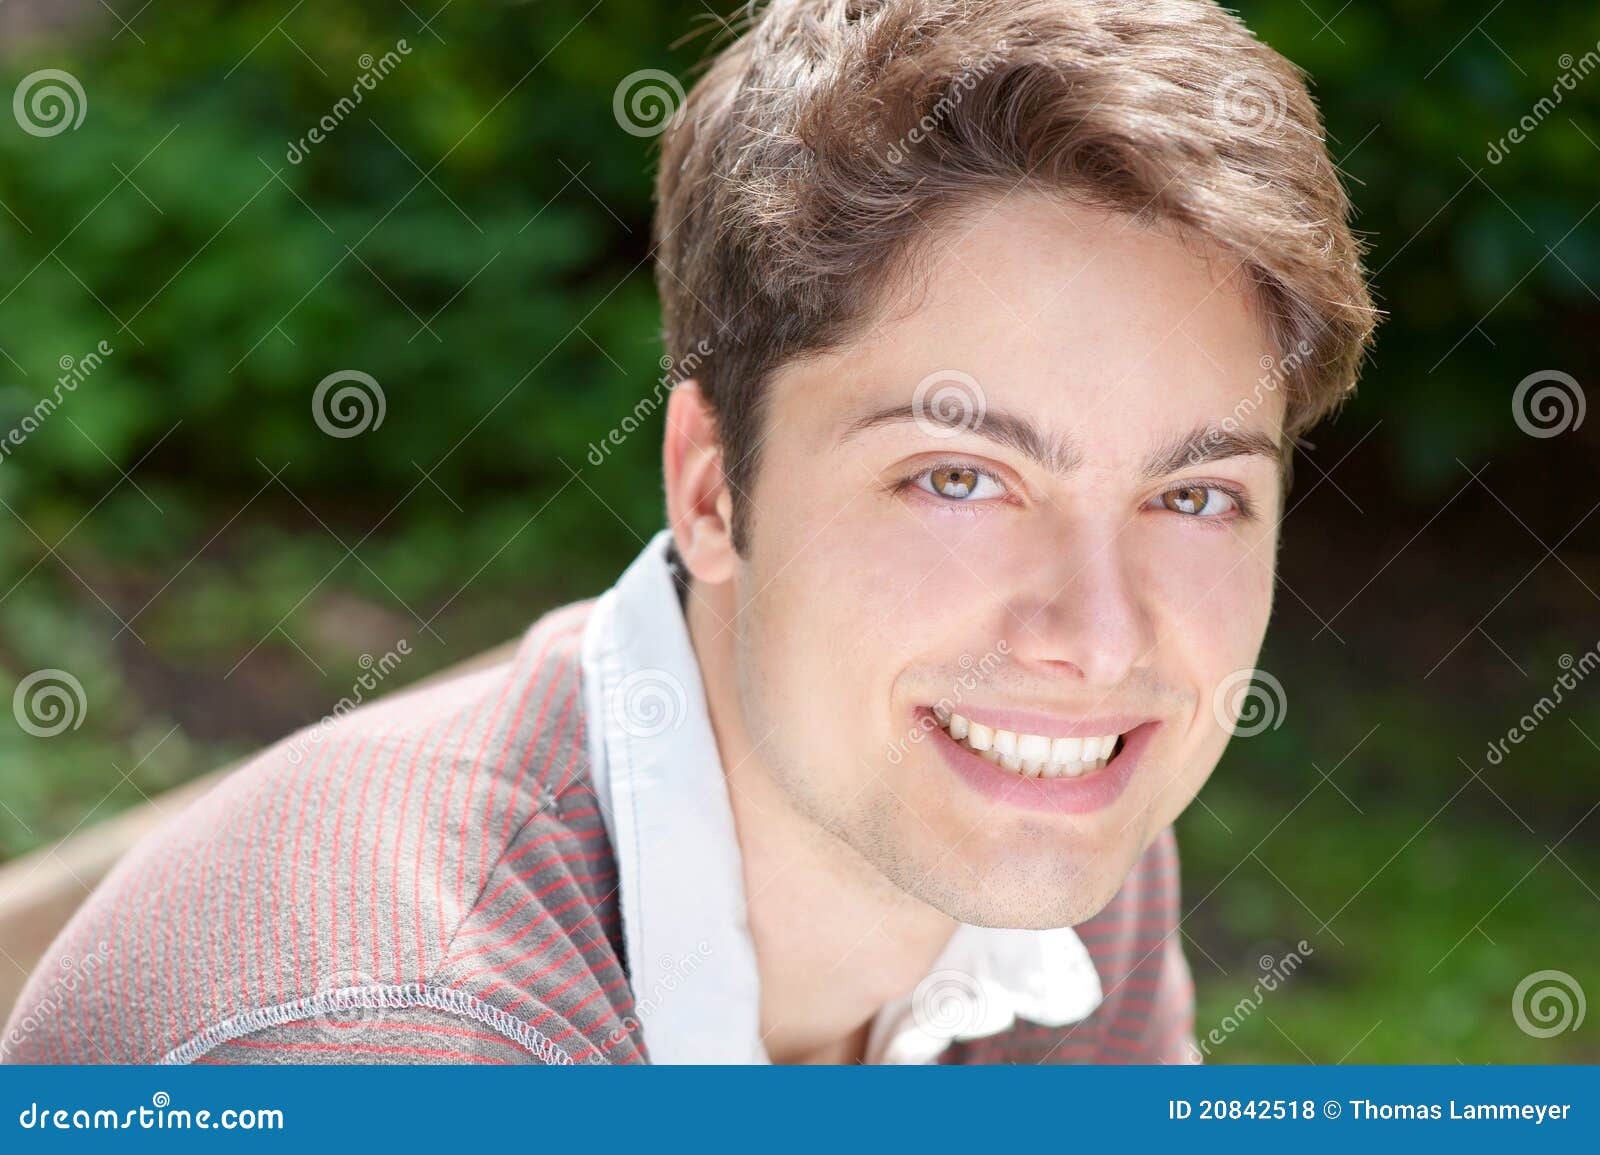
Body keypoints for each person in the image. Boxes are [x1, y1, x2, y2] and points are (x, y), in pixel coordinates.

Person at [3, 0, 1375, 1065]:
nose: (1095, 639)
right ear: (712, 490)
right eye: (959, 477)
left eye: (1191, 496)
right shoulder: (388, 1048)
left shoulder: (1049, 835)